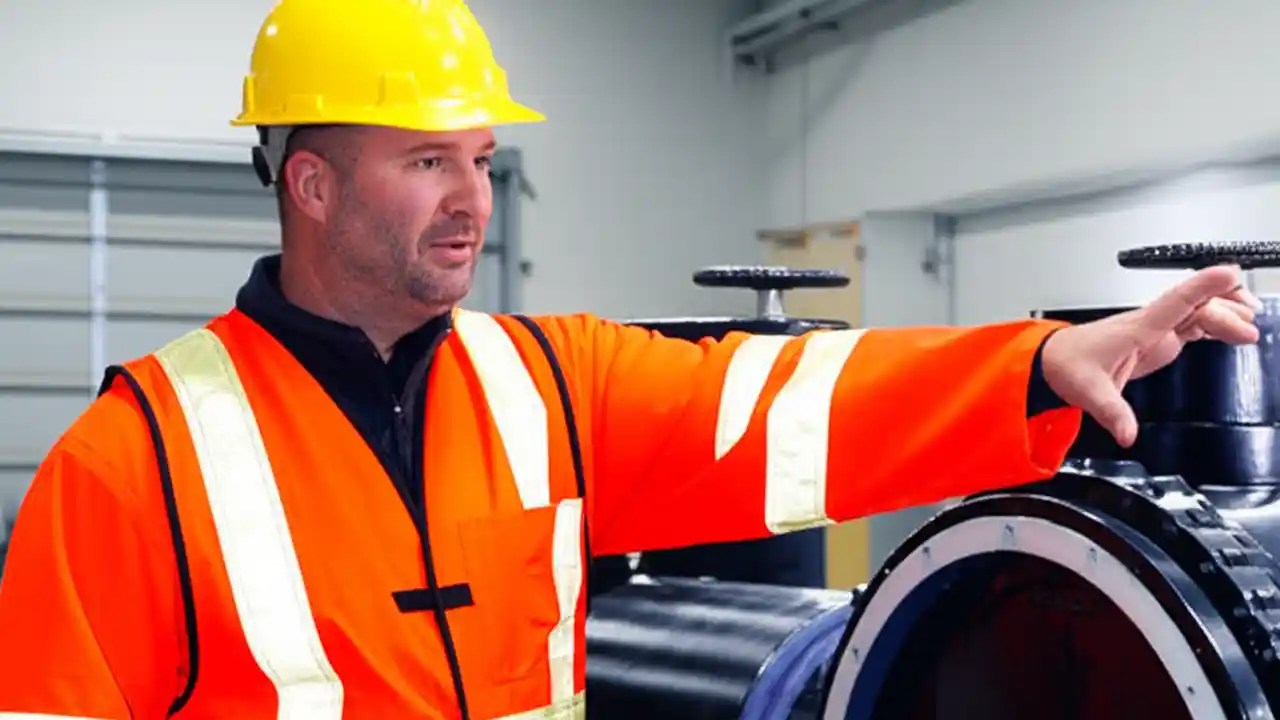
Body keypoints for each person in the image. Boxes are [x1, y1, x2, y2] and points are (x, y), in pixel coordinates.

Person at [0, 0, 1261, 718]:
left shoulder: (547, 383)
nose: (473, 199)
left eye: (483, 162)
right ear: (314, 184)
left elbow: (788, 406)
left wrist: (1039, 363)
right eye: (428, 161)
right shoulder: (132, 463)